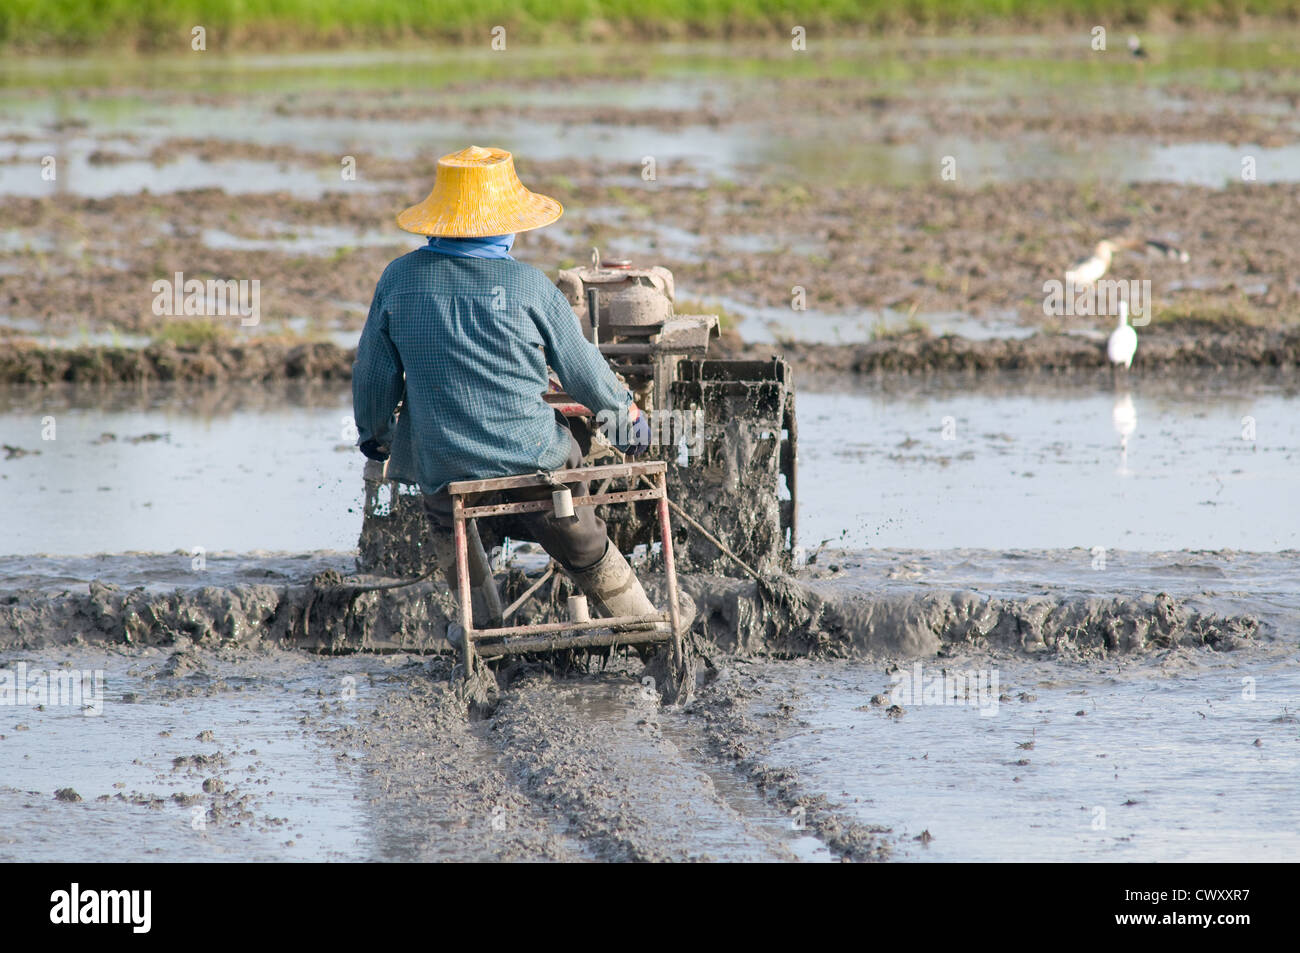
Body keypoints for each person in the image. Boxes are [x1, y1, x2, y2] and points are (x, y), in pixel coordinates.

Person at [352, 145, 675, 640]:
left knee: (444, 514)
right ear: (506, 225)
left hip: (445, 464)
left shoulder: (398, 281)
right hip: (531, 458)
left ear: (439, 220)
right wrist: (628, 417)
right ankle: (640, 618)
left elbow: (373, 380)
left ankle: (482, 624)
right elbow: (583, 372)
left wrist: (376, 437)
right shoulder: (528, 286)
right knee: (568, 493)